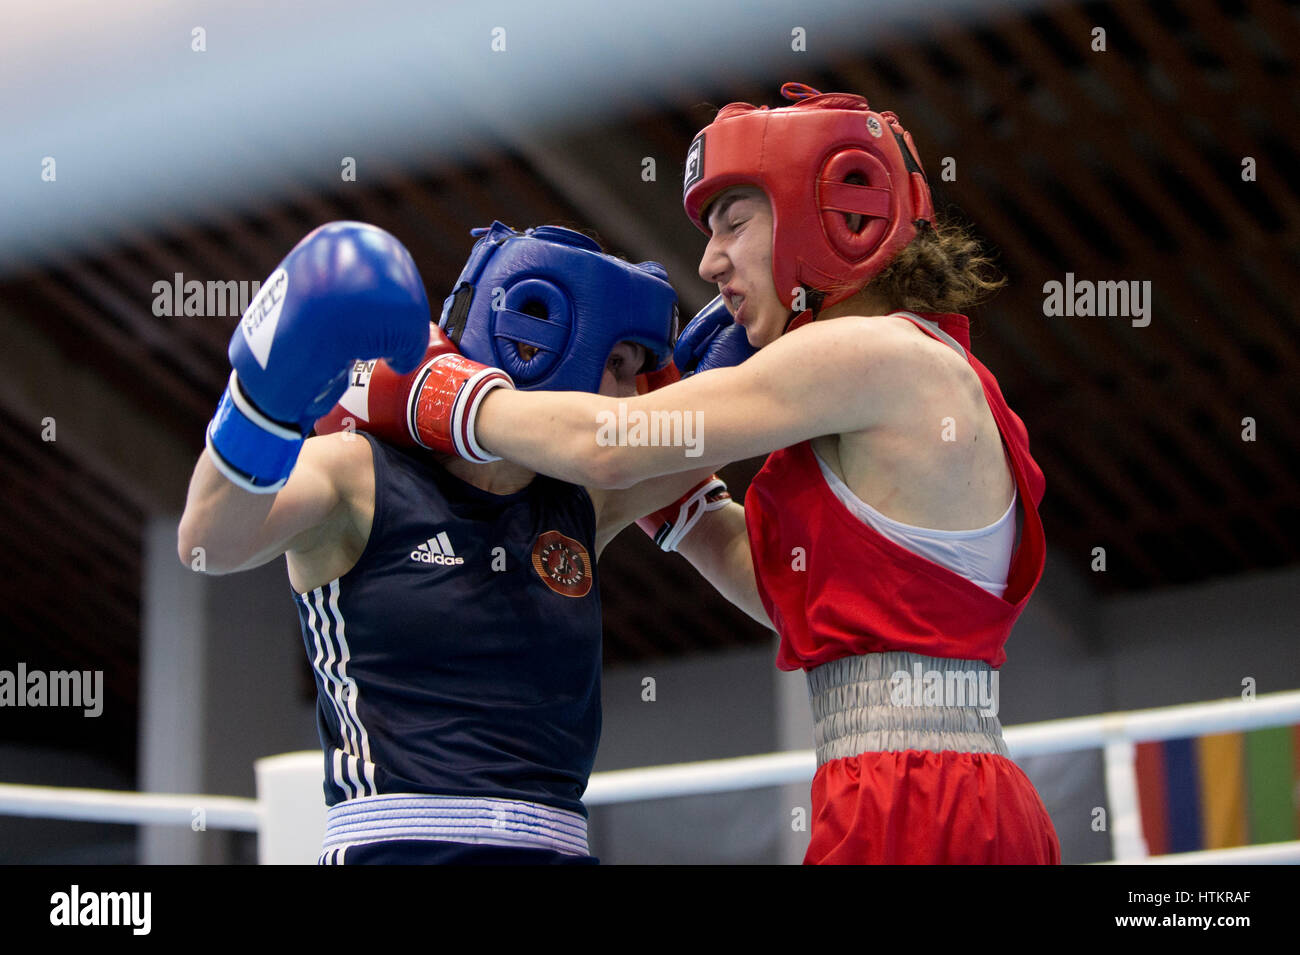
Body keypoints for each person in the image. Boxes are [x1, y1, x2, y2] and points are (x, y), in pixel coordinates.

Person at [380, 84, 1062, 864]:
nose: (711, 261)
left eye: (735, 222)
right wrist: (684, 508)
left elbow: (612, 444)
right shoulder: (916, 374)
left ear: (836, 210)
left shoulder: (871, 352)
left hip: (913, 799)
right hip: (934, 791)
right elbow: (789, 592)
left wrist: (441, 392)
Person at [177, 220, 720, 864]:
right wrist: (262, 395)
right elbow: (208, 541)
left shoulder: (581, 504)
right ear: (537, 343)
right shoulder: (356, 471)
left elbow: (731, 422)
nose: (634, 398)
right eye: (620, 366)